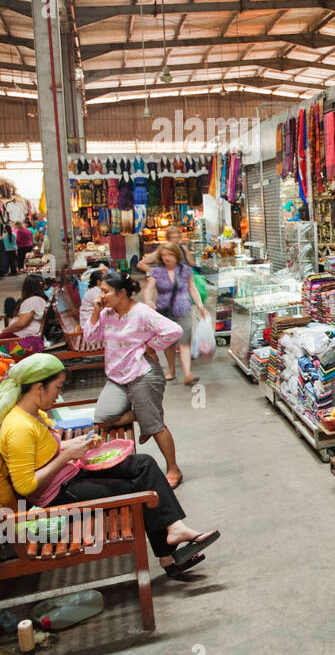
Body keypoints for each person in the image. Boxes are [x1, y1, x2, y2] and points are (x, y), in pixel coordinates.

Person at [0, 354, 219, 576]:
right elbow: (25, 486)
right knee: (141, 489)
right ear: (39, 388)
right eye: (57, 387)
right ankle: (167, 555)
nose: (59, 395)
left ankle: (175, 529)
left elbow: (42, 451)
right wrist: (67, 456)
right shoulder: (19, 427)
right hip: (58, 495)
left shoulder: (32, 414)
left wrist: (75, 445)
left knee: (144, 464)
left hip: (71, 474)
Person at [82, 271, 188, 487]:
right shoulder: (105, 313)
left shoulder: (141, 313)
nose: (100, 296)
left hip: (143, 374)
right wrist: (94, 312)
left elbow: (174, 330)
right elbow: (90, 339)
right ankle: (140, 412)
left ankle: (173, 468)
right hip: (117, 377)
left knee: (154, 425)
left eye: (105, 291)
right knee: (102, 418)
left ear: (122, 293)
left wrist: (152, 345)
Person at [144, 242, 206, 385]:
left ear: (176, 255)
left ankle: (187, 374)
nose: (167, 258)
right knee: (169, 344)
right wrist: (148, 300)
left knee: (184, 342)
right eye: (164, 255)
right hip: (164, 312)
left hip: (184, 310)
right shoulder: (157, 272)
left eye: (170, 254)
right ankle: (171, 370)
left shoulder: (185, 270)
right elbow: (149, 288)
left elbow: (192, 288)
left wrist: (200, 305)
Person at [1, 275, 48, 352]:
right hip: (27, 336)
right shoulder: (41, 299)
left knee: (2, 346)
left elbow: (21, 324)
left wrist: (6, 330)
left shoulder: (32, 301)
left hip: (23, 340)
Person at [79, 265, 108, 333]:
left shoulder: (97, 290)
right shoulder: (94, 292)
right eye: (105, 279)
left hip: (91, 319)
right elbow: (104, 306)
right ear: (98, 282)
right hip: (88, 324)